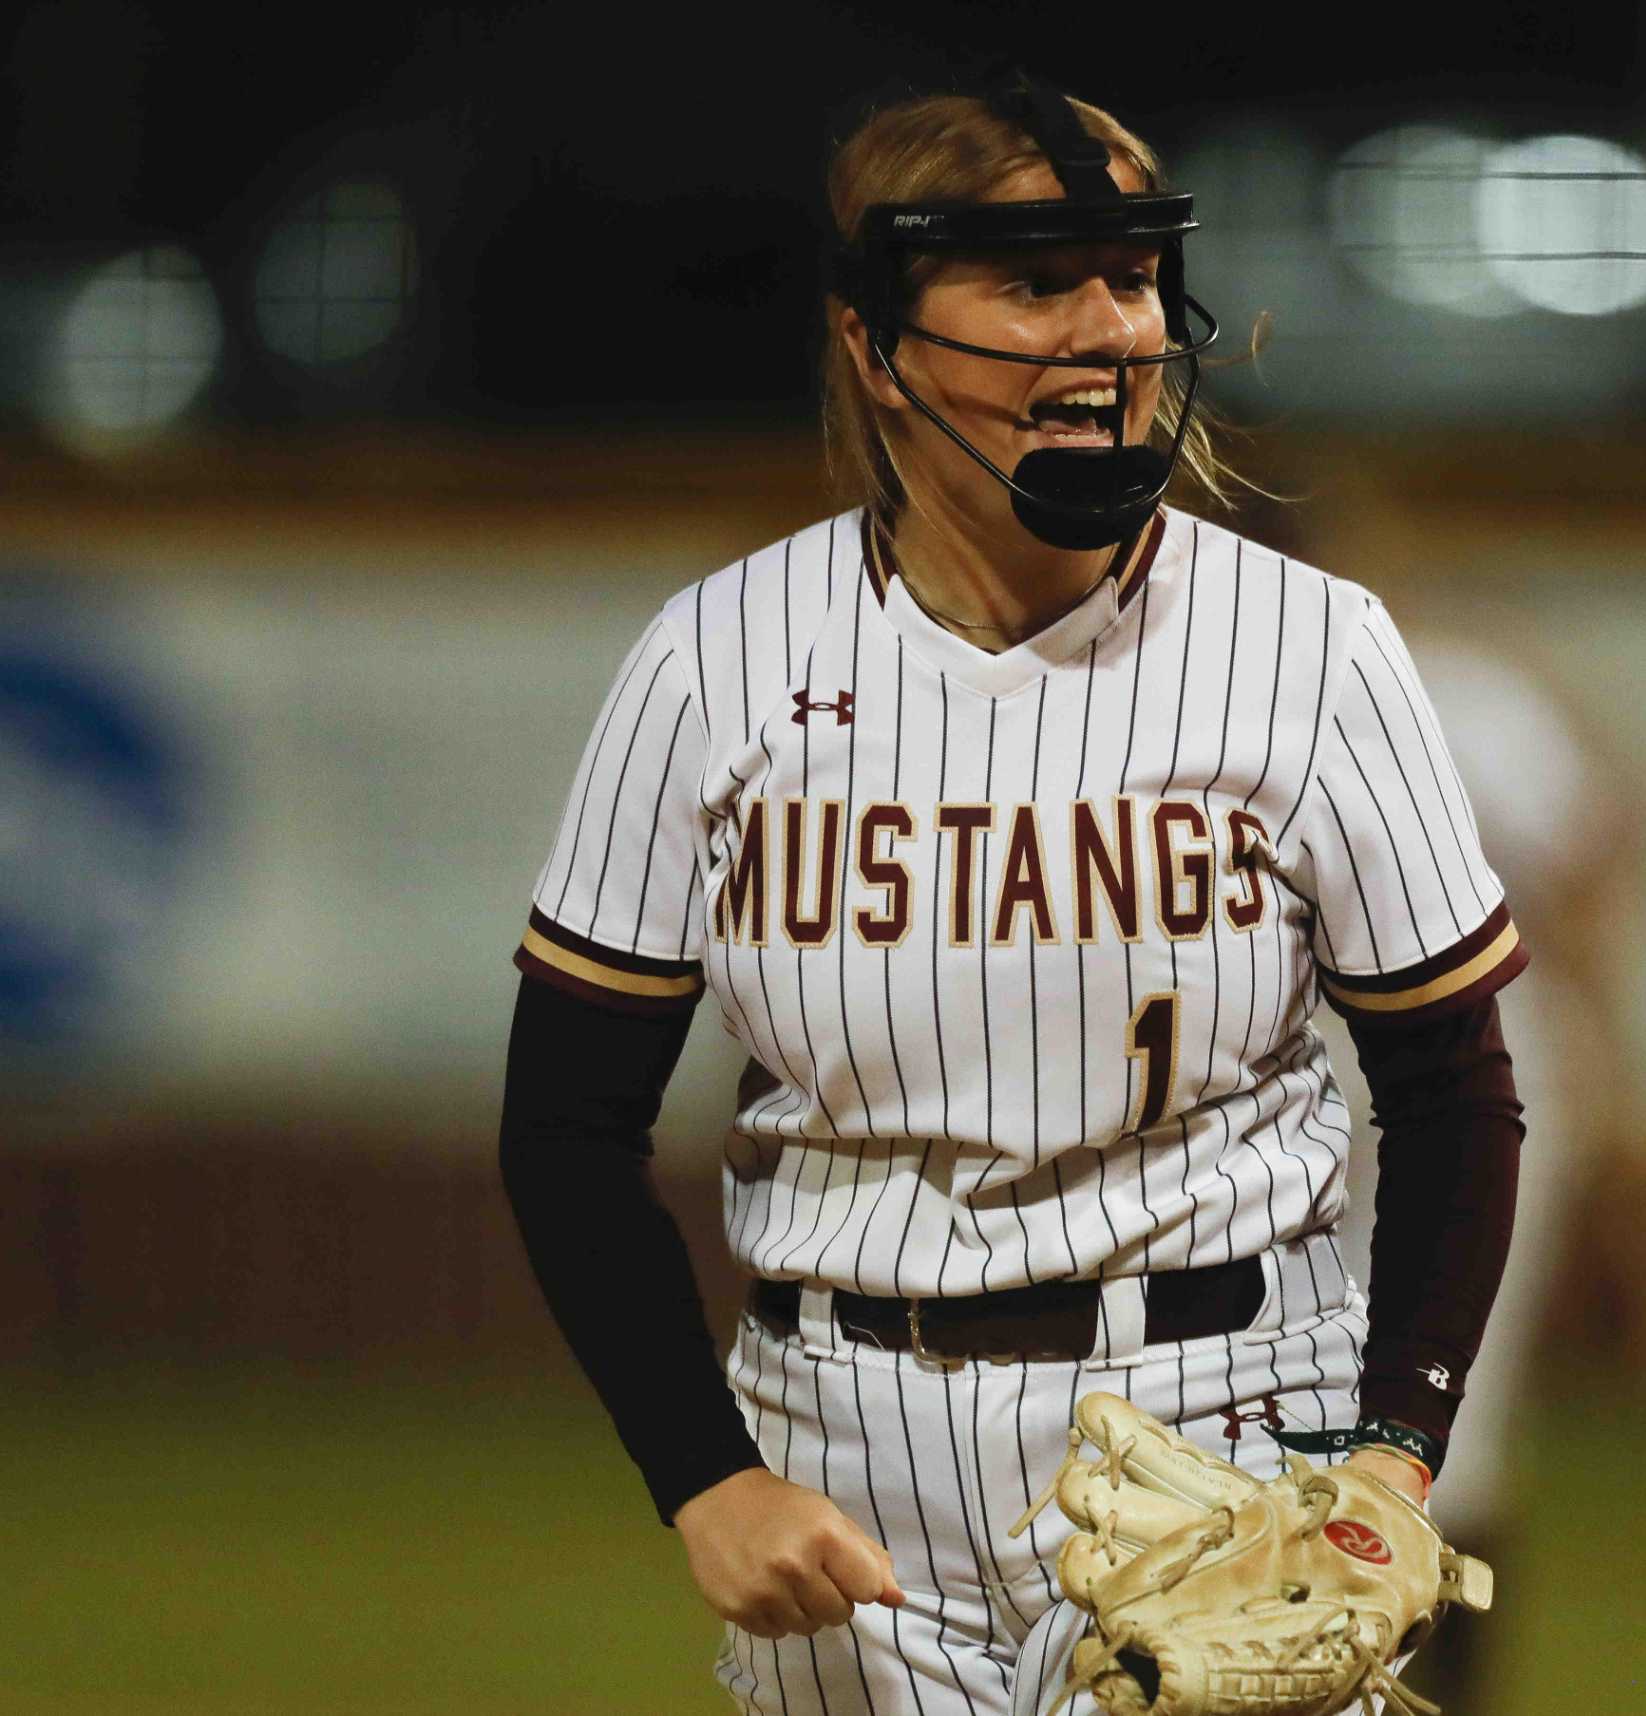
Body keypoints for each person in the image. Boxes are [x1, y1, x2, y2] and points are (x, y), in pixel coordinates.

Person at [499, 69, 1528, 1716]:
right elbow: (563, 1123)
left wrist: (1392, 1454)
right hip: (838, 1438)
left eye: (1128, 275)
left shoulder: (1308, 647)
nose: (1106, 325)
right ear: (873, 341)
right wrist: (705, 1476)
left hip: (1226, 1410)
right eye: (1035, 281)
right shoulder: (718, 663)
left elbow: (1454, 1088)